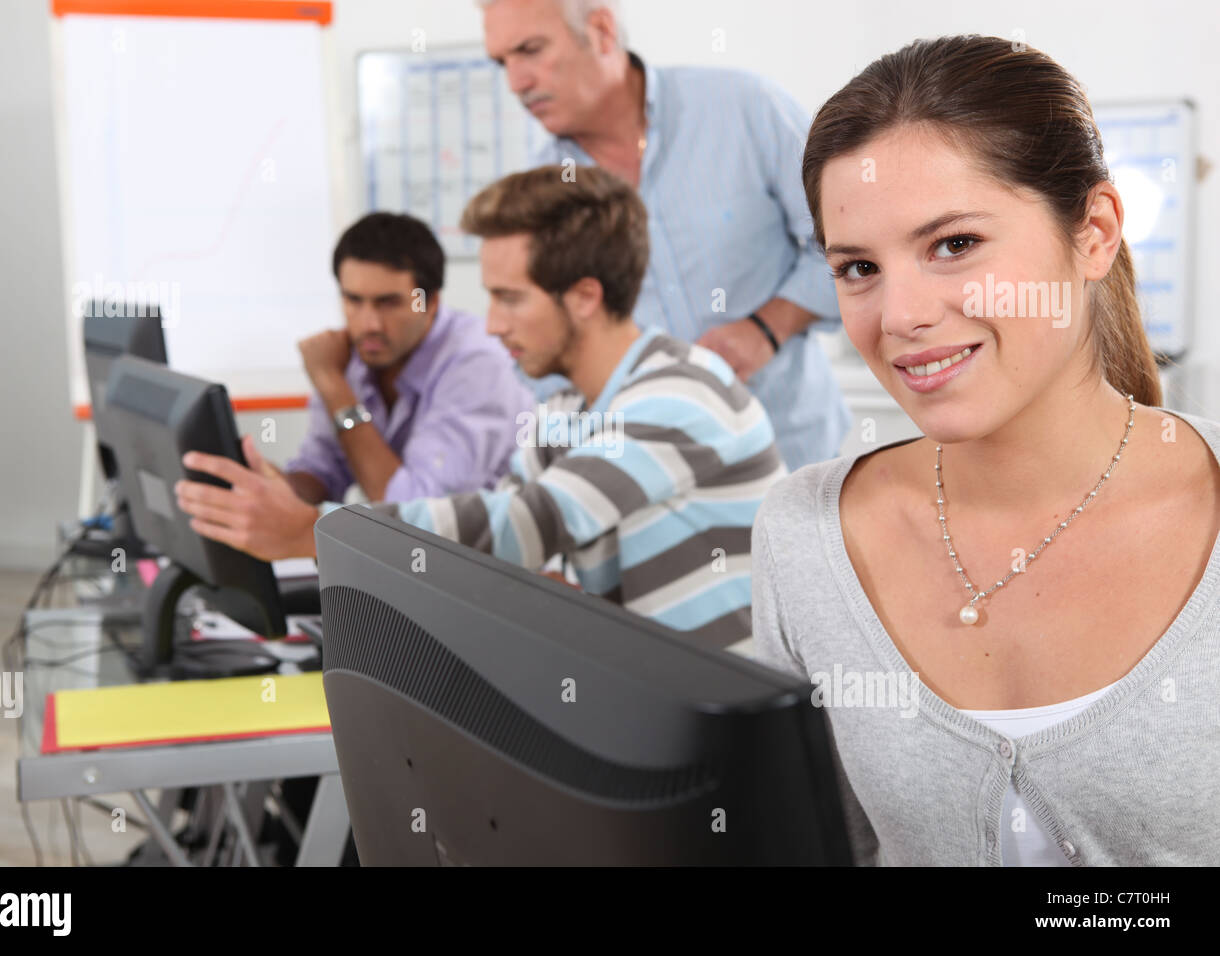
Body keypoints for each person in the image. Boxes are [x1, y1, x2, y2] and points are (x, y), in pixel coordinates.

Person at [749, 35, 1220, 865]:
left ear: (1095, 232)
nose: (898, 315)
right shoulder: (805, 536)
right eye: (858, 267)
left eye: (954, 245)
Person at [177, 166, 785, 650]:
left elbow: (520, 526)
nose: (492, 324)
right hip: (644, 703)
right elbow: (505, 560)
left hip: (722, 742)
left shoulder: (680, 395)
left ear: (583, 297)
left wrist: (313, 530)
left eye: (509, 299)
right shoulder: (567, 411)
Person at [479, 0, 851, 471]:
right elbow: (546, 355)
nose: (516, 82)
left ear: (600, 30)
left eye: (530, 50)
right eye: (502, 62)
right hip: (651, 485)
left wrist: (768, 328)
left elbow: (858, 250)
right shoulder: (540, 190)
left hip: (796, 452)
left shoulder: (745, 106)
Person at [286, 212, 532, 505]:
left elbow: (414, 509)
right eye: (353, 300)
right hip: (404, 549)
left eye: (388, 303)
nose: (368, 325)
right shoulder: (349, 356)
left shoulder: (477, 361)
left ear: (430, 303)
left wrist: (332, 385)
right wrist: (257, 483)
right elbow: (322, 474)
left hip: (472, 548)